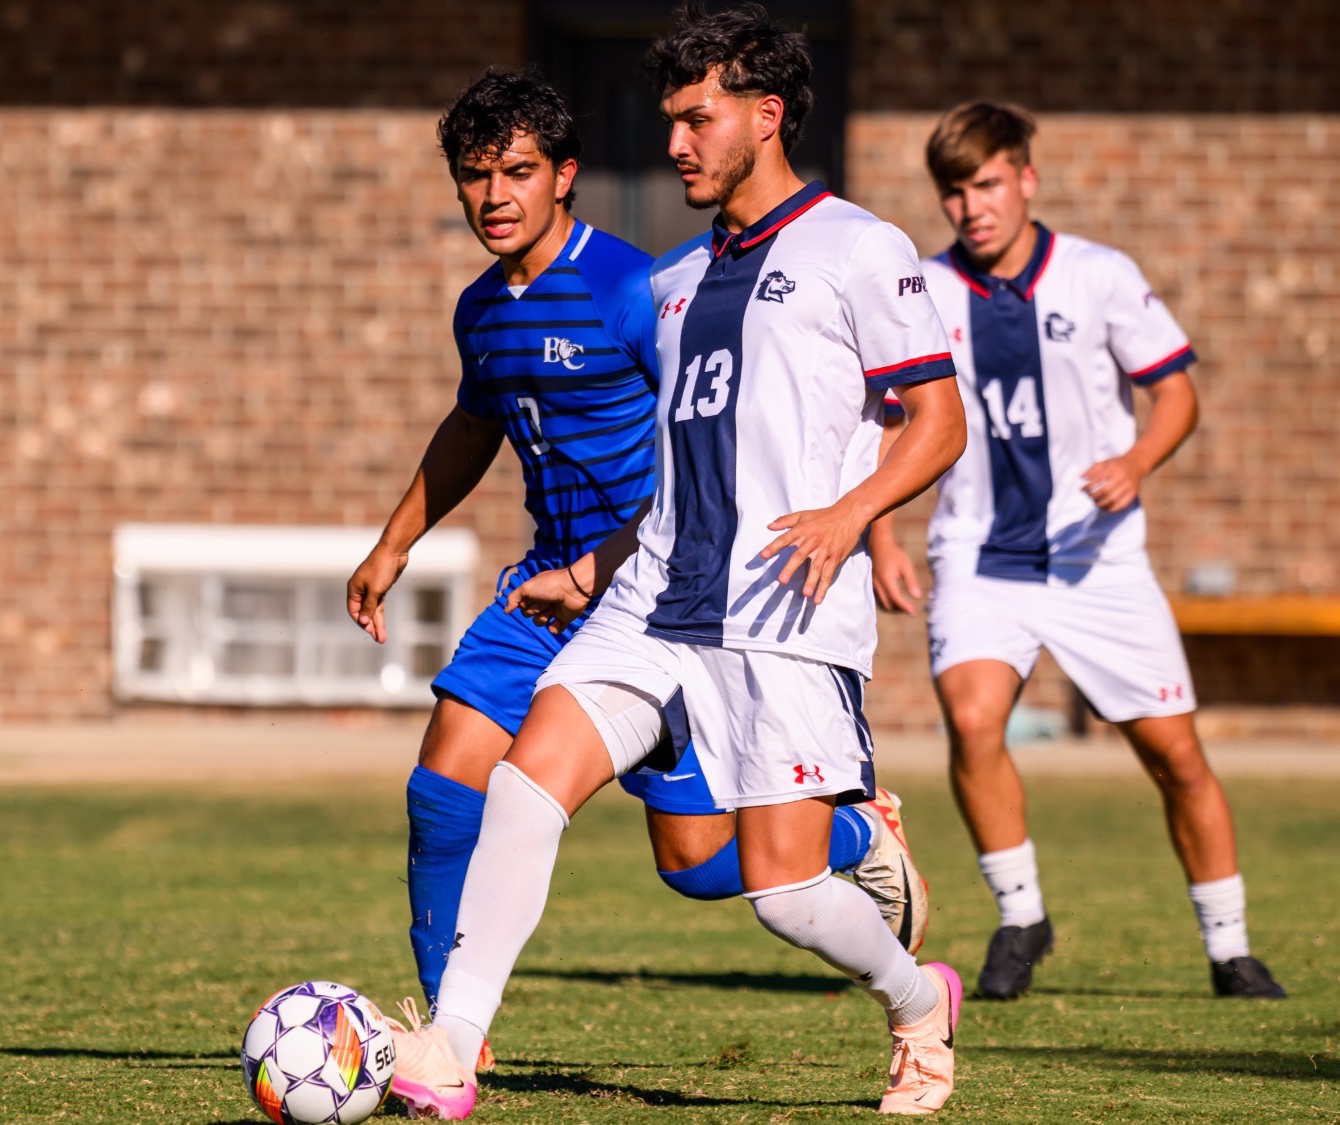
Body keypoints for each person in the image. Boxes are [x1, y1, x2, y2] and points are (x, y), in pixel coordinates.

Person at [382, 8, 970, 1117]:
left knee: (781, 893)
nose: (676, 145)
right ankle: (452, 1049)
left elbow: (934, 424)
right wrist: (594, 559)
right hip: (652, 597)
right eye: (669, 121)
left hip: (783, 613)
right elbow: (660, 450)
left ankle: (913, 1001)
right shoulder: (672, 282)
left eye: (696, 118)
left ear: (766, 111)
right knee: (522, 782)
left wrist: (852, 517)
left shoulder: (858, 247)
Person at [868, 101, 1287, 1001]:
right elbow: (883, 425)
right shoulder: (926, 293)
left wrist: (1137, 461)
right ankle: (1021, 919)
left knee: (1175, 756)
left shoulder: (1100, 276)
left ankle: (1231, 948)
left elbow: (1175, 394)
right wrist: (881, 534)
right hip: (980, 555)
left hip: (1098, 561)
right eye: (954, 191)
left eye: (986, 183)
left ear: (1026, 176)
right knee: (974, 721)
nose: (971, 205)